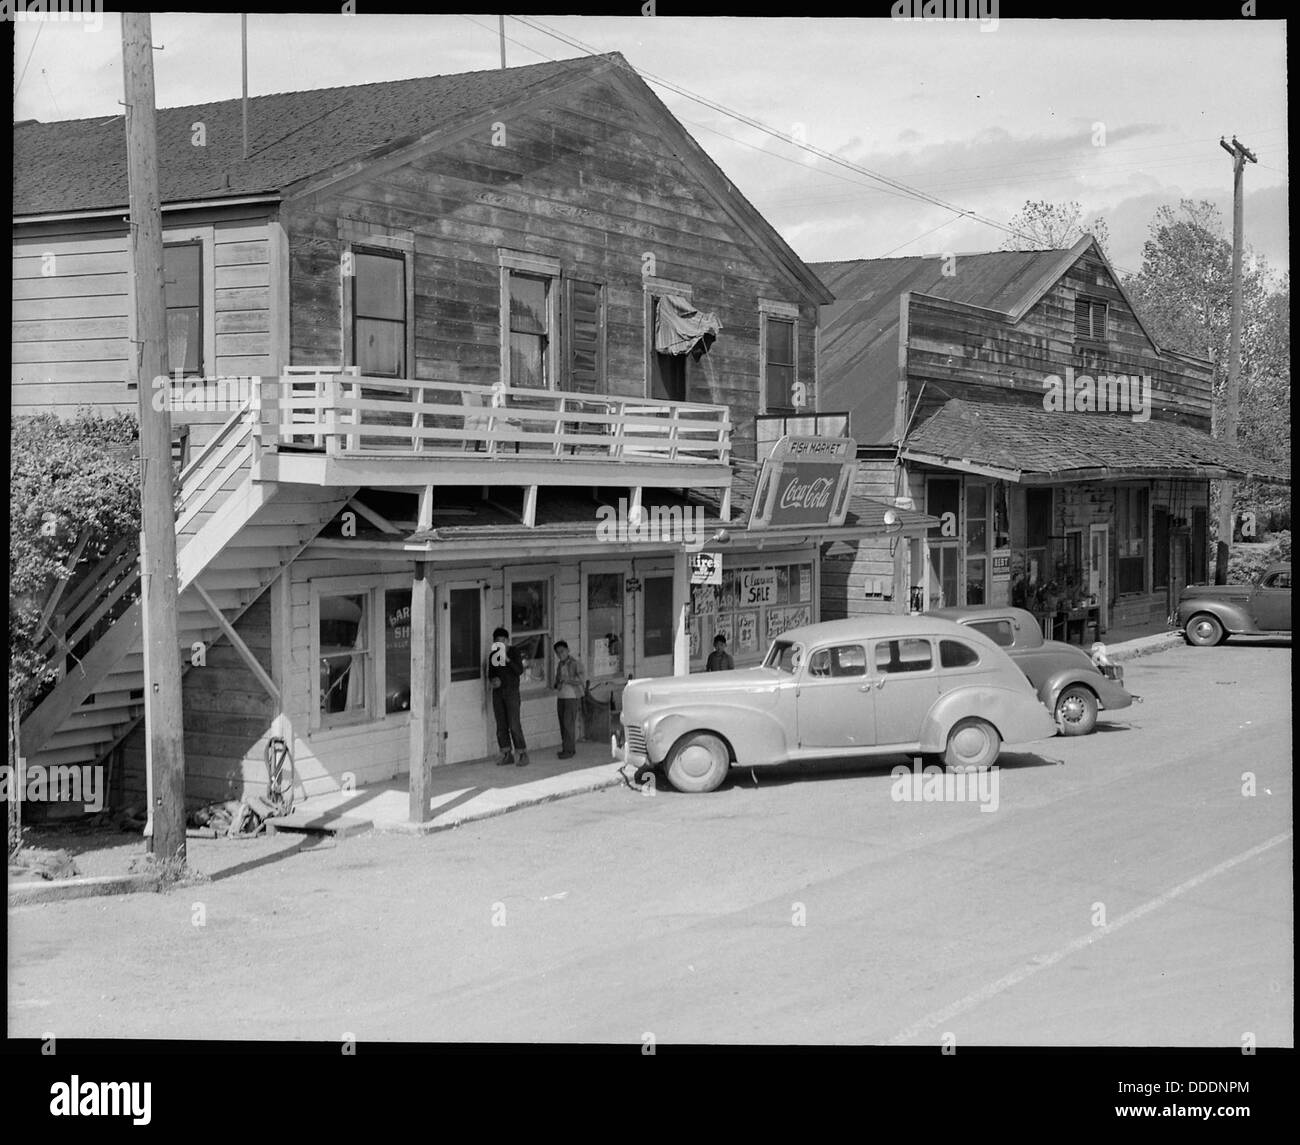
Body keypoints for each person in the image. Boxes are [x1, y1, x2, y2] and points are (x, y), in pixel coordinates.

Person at [488, 626, 529, 767]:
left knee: (514, 724)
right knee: (501, 725)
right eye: (496, 642)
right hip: (498, 693)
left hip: (511, 692)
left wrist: (507, 659)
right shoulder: (493, 655)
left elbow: (519, 670)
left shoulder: (514, 652)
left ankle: (522, 753)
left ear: (507, 641)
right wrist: (493, 680)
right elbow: (491, 673)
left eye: (501, 641)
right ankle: (506, 753)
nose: (498, 645)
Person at [552, 640, 585, 759]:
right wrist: (557, 683)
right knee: (562, 724)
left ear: (567, 650)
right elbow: (557, 680)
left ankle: (570, 749)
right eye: (558, 653)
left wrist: (567, 680)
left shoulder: (575, 663)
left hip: (572, 696)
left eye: (562, 651)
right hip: (561, 696)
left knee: (568, 723)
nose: (560, 654)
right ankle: (565, 747)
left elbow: (581, 680)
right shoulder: (560, 665)